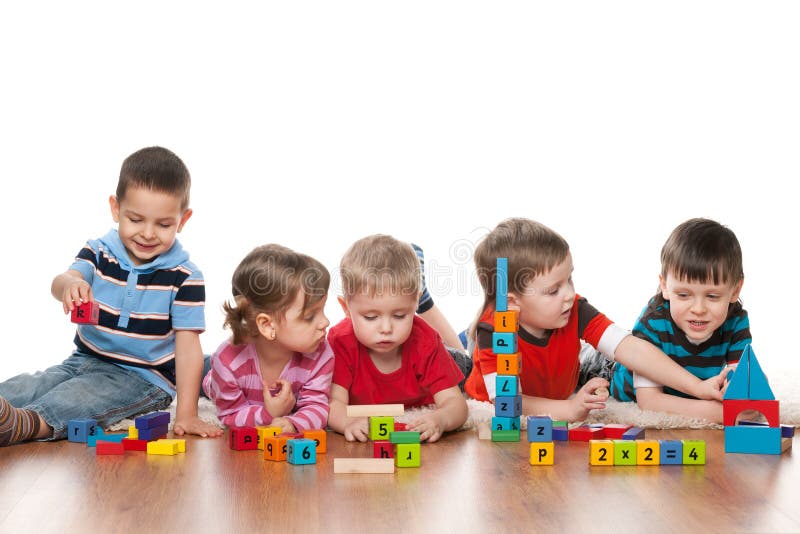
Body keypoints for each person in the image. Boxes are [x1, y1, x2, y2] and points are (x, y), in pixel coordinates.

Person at [0, 146, 222, 446]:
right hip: (83, 359)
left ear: (183, 220)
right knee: (33, 384)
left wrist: (186, 413)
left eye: (164, 224)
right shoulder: (99, 252)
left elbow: (187, 349)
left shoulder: (185, 277)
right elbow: (63, 279)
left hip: (142, 378)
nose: (147, 233)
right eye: (135, 219)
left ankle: (27, 425)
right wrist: (69, 286)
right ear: (116, 209)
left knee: (81, 398)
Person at [463, 217, 725, 423]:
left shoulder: (573, 307)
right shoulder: (494, 332)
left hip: (560, 376)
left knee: (603, 357)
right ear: (511, 302)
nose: (568, 294)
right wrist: (568, 409)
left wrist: (698, 387)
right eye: (554, 290)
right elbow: (509, 402)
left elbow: (629, 348)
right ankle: (464, 345)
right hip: (486, 384)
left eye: (570, 280)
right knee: (454, 367)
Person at [608, 218, 751, 423]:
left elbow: (742, 376)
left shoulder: (735, 320)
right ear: (665, 286)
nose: (698, 309)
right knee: (581, 365)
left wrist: (742, 385)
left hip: (687, 385)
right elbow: (649, 401)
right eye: (684, 295)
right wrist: (721, 413)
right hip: (609, 370)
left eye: (712, 296)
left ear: (735, 290)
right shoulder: (653, 322)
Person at [327, 235, 468, 443]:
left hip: (452, 360)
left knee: (467, 368)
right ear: (346, 308)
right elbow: (333, 403)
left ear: (414, 304)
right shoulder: (340, 341)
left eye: (400, 315)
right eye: (371, 317)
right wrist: (346, 422)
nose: (386, 328)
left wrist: (441, 418)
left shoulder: (425, 341)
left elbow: (457, 405)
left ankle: (452, 323)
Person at [202, 244, 334, 433]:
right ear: (267, 325)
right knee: (202, 372)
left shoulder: (320, 353)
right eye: (310, 316)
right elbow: (230, 415)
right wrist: (269, 414)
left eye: (323, 311)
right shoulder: (227, 361)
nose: (326, 322)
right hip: (214, 378)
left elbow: (318, 405)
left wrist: (294, 423)